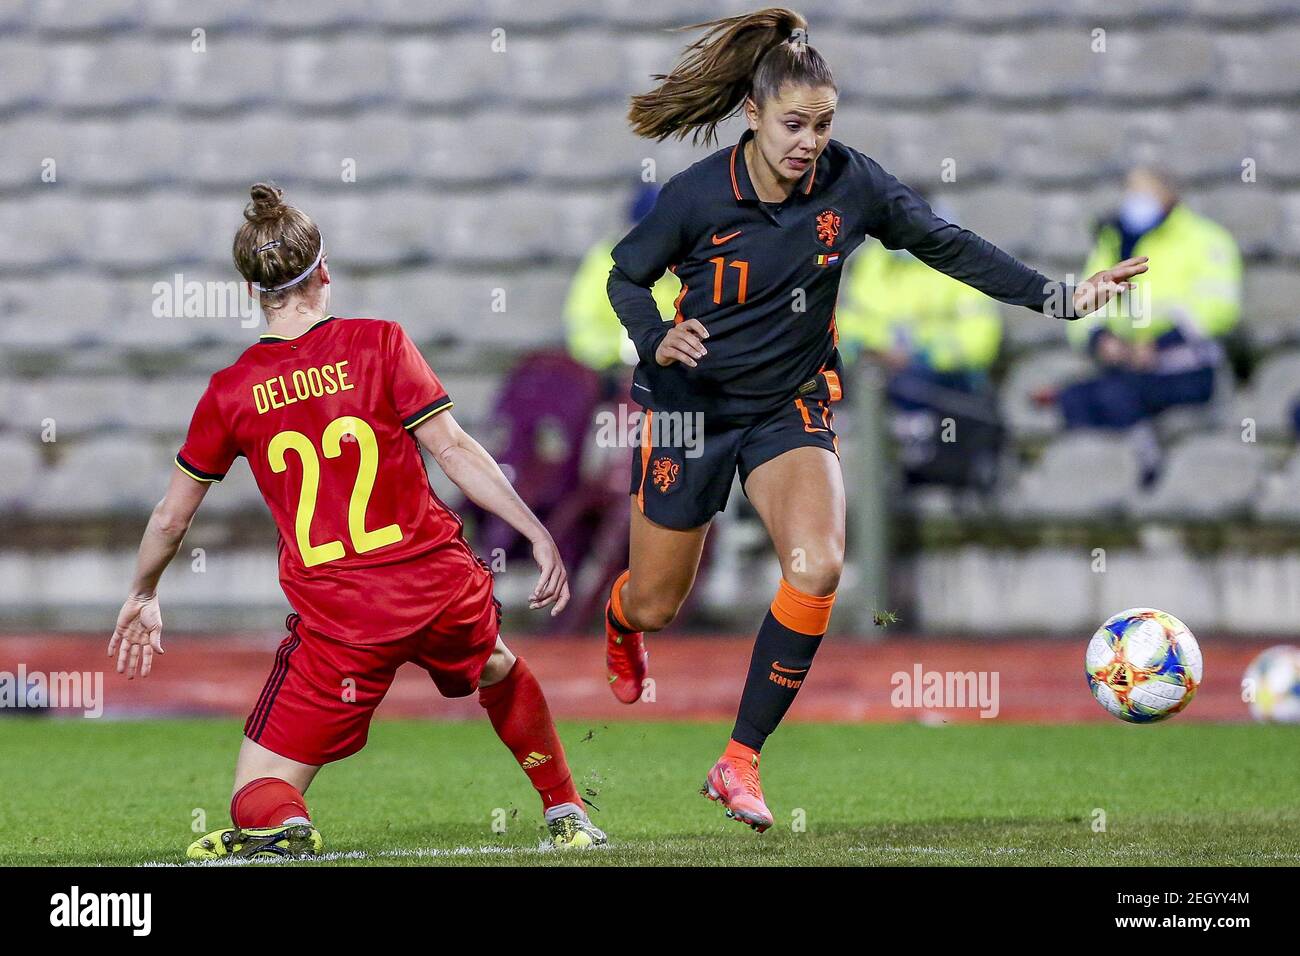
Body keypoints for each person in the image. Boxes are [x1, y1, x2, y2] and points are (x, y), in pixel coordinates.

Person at [601, 8, 1146, 833]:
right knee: (655, 605)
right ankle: (620, 618)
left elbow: (947, 242)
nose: (809, 140)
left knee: (818, 566)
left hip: (789, 406)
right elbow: (624, 277)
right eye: (794, 123)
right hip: (691, 414)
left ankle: (739, 759)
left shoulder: (853, 183)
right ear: (753, 114)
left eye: (823, 124)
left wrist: (1059, 295)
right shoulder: (698, 195)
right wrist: (655, 336)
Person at [108, 183, 606, 859]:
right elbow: (455, 448)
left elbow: (170, 519)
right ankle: (567, 812)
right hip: (438, 586)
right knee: (496, 665)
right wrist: (536, 530)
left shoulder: (231, 391)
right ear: (324, 271)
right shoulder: (380, 344)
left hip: (344, 619)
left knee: (256, 790)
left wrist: (143, 592)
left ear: (253, 291)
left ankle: (283, 825)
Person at [1057, 166, 1241, 433]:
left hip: (1186, 365)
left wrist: (1158, 344)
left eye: (1144, 190)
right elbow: (1083, 302)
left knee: (1116, 397)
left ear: (1168, 193)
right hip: (1126, 365)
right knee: (1072, 399)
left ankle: (1142, 464)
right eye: (1131, 190)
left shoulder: (1206, 240)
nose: (1135, 198)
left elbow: (1220, 309)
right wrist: (1100, 339)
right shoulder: (1113, 240)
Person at [838, 239, 1004, 489]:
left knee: (917, 384)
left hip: (943, 378)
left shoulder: (962, 258)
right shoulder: (870, 261)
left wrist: (922, 354)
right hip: (879, 372)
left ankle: (915, 457)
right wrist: (872, 350)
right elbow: (847, 325)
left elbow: (979, 341)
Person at [564, 183, 682, 372]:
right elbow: (581, 331)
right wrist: (622, 347)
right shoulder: (604, 262)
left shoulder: (685, 264)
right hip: (615, 370)